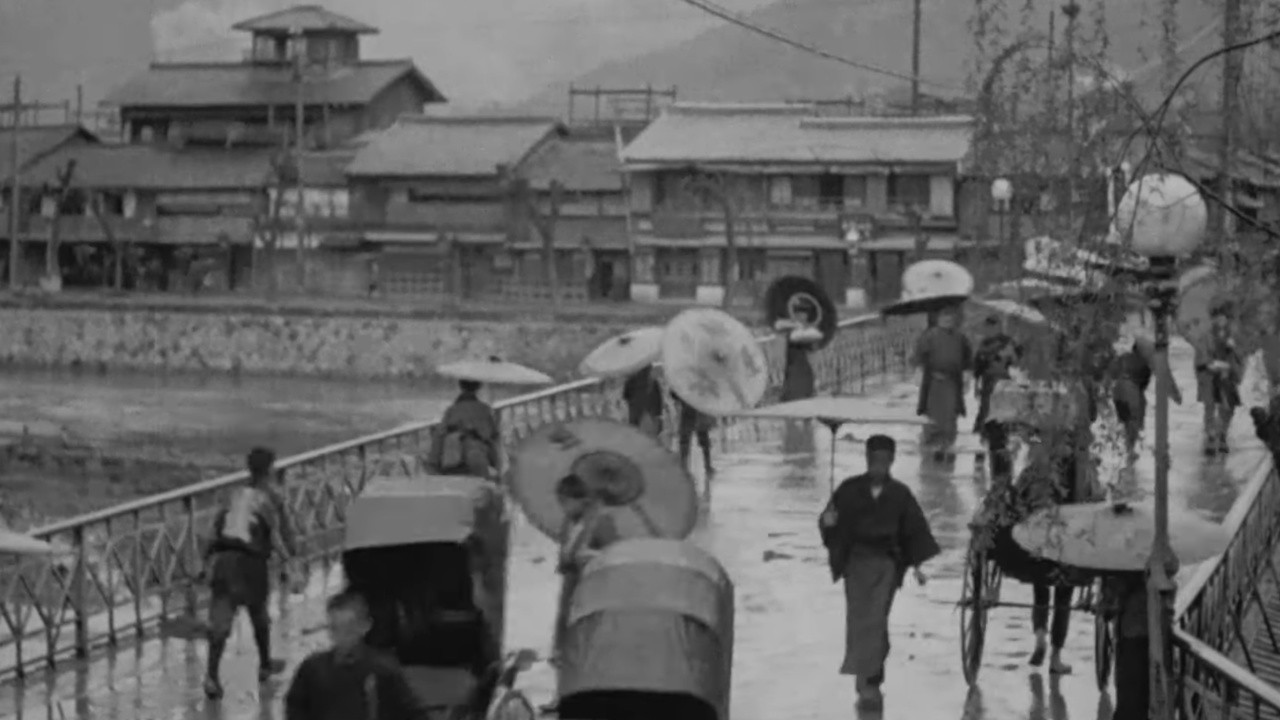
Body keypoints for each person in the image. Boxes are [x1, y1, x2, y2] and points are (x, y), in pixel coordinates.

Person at [818, 435, 940, 710]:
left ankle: (872, 680)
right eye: (875, 461)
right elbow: (829, 524)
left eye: (884, 462)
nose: (879, 467)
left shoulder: (900, 494)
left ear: (892, 462)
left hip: (886, 565)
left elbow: (913, 531)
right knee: (860, 622)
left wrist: (917, 566)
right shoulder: (849, 490)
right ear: (867, 460)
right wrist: (827, 523)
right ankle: (865, 679)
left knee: (877, 621)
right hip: (856, 565)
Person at [203, 447, 297, 700]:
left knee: (220, 623)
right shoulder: (271, 498)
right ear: (270, 470)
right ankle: (265, 665)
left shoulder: (232, 494)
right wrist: (290, 559)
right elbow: (278, 535)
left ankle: (211, 676)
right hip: (251, 564)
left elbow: (212, 533)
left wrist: (203, 566)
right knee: (259, 615)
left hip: (223, 562)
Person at [285, 590, 430, 720]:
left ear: (365, 626)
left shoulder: (383, 669)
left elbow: (412, 712)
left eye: (349, 629)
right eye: (335, 629)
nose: (341, 637)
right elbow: (295, 709)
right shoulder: (312, 669)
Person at [551, 474, 620, 665]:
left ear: (581, 500)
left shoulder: (601, 521)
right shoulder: (569, 521)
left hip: (593, 582)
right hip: (571, 577)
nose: (562, 506)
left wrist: (591, 556)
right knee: (566, 615)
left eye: (565, 501)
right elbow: (565, 547)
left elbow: (613, 554)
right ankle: (562, 651)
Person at [914, 307, 973, 462]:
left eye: (950, 316)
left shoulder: (960, 337)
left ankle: (948, 443)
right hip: (934, 382)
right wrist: (919, 371)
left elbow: (967, 359)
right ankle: (932, 445)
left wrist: (967, 375)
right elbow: (919, 356)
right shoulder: (929, 336)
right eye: (944, 316)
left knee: (950, 415)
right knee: (933, 414)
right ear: (938, 318)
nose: (948, 319)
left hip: (952, 382)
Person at [1111, 336, 1182, 462]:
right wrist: (1176, 396)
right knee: (1133, 422)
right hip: (1131, 390)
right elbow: (1165, 378)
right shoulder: (1147, 361)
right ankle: (1130, 450)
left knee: (1127, 422)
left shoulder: (1125, 357)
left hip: (1118, 390)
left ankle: (1128, 450)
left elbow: (1111, 372)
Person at [972, 315, 1021, 476]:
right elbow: (976, 370)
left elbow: (1018, 364)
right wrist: (976, 386)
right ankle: (980, 455)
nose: (992, 330)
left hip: (1006, 388)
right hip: (988, 386)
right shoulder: (983, 345)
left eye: (995, 326)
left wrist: (1011, 355)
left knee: (1005, 423)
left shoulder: (1009, 342)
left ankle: (1005, 459)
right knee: (985, 421)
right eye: (989, 327)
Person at [1101, 571, 1150, 720]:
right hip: (1143, 627)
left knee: (1130, 690)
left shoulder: (1128, 567)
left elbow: (1120, 586)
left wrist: (1107, 604)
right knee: (1138, 692)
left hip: (1133, 630)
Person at [428, 380, 501, 477]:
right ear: (478, 386)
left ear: (460, 386)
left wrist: (433, 462)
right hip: (479, 455)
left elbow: (439, 435)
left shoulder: (452, 410)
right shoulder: (485, 409)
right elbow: (493, 436)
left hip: (453, 457)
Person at [1196, 306, 1243, 455]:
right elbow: (1201, 357)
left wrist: (1233, 349)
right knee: (1209, 407)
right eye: (1218, 317)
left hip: (1227, 376)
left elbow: (1242, 357)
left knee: (1228, 407)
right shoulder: (1206, 336)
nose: (1221, 321)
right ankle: (1210, 437)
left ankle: (1222, 434)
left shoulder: (1233, 335)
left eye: (1224, 318)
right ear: (1214, 319)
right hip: (1210, 376)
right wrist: (1211, 364)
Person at [673, 391, 715, 478]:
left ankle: (704, 466)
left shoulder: (685, 380)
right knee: (697, 440)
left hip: (692, 411)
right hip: (693, 411)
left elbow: (674, 394)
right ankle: (706, 466)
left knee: (696, 440)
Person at [622, 365, 664, 437]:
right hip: (650, 413)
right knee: (650, 437)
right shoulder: (653, 381)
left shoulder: (630, 380)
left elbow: (625, 396)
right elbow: (658, 400)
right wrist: (658, 415)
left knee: (636, 435)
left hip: (635, 413)